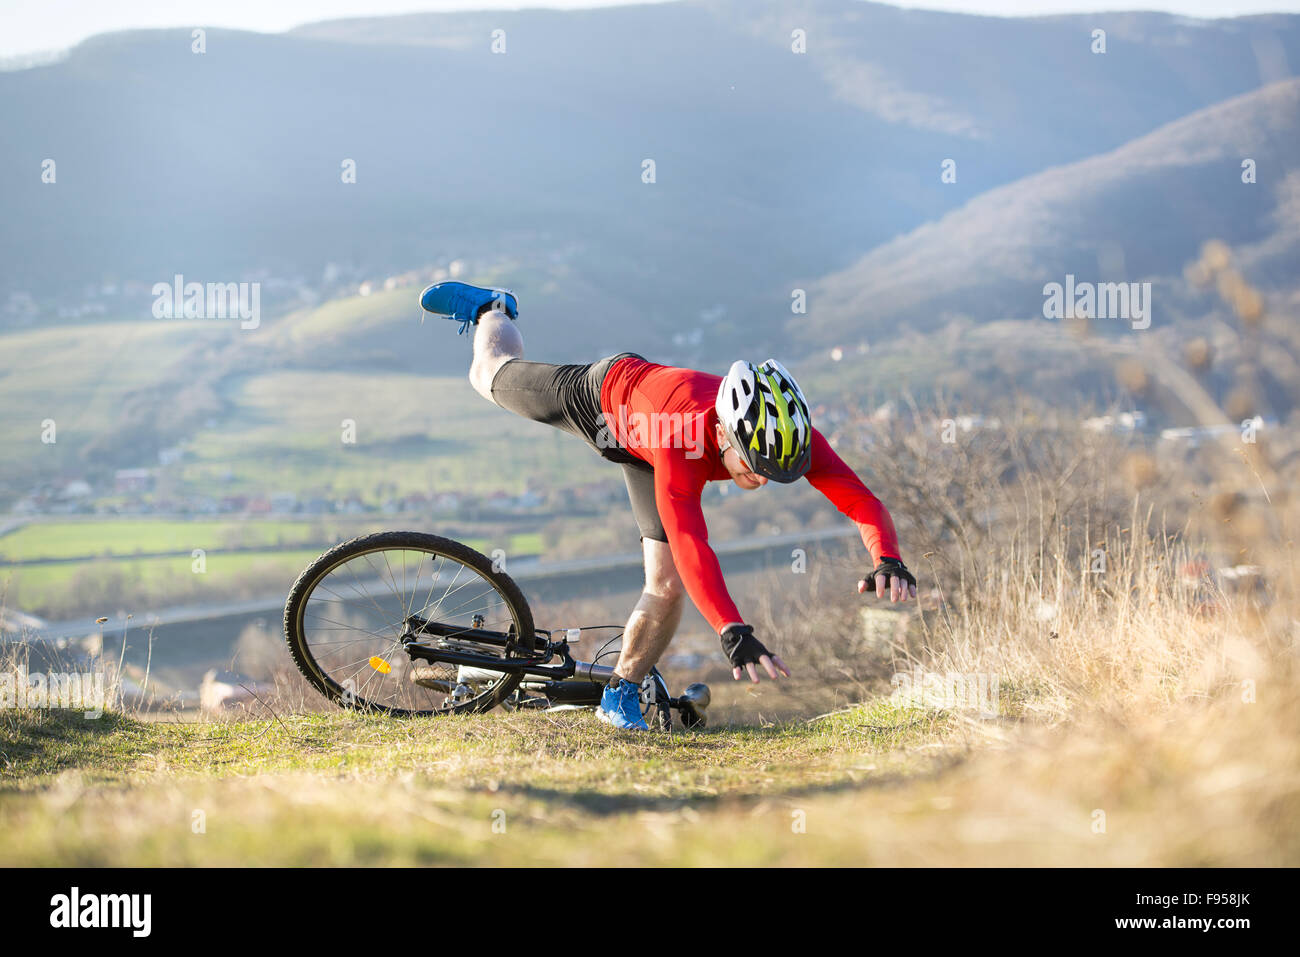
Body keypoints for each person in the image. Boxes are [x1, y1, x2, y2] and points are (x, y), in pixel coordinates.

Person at [421, 280, 917, 731]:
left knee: (665, 586)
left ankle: (620, 694)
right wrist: (732, 627)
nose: (762, 479)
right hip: (604, 399)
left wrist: (887, 557)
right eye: (753, 466)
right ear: (723, 431)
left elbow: (859, 499)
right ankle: (493, 307)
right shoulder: (681, 440)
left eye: (773, 470)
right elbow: (688, 541)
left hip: (649, 443)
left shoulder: (783, 435)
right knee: (489, 375)